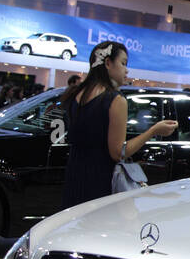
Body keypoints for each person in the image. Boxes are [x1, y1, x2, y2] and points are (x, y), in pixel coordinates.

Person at [60, 42, 177, 208]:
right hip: (99, 181)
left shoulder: (75, 95)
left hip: (74, 177)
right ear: (108, 63)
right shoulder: (115, 100)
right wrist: (153, 130)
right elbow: (118, 153)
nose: (127, 70)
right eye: (123, 63)